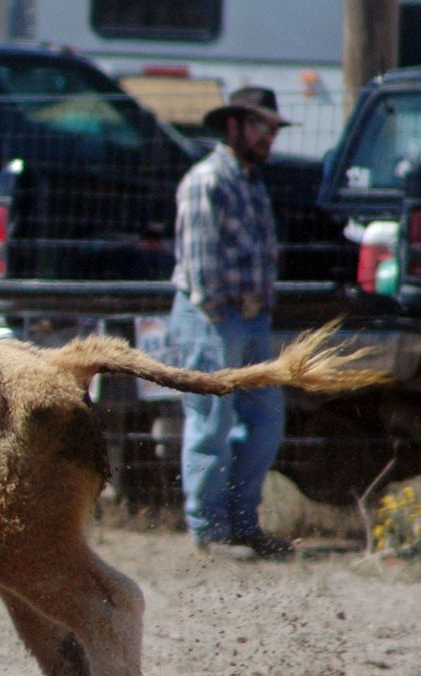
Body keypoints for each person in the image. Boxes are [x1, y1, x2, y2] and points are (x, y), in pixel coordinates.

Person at [169, 86, 295, 559]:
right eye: (262, 126)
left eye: (272, 129)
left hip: (247, 319)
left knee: (265, 421)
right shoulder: (207, 181)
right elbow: (202, 271)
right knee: (211, 423)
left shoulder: (249, 182)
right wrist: (226, 311)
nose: (269, 137)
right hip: (214, 319)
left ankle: (242, 522)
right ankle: (211, 529)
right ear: (234, 126)